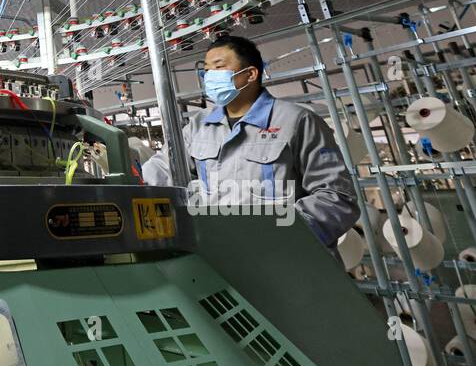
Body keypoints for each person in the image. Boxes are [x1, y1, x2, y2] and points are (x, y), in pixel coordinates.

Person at [141, 34, 359, 248]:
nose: (209, 77)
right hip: (220, 252)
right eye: (206, 70)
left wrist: (280, 235)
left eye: (218, 67)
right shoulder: (198, 127)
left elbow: (336, 198)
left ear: (251, 74)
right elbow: (159, 172)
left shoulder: (296, 121)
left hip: (285, 257)